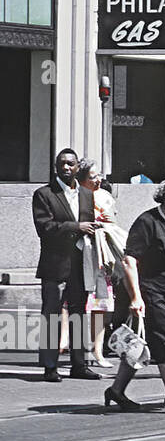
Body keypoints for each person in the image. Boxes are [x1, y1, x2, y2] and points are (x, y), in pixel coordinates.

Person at [104, 177, 165, 413]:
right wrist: (136, 298)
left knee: (143, 344)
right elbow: (129, 261)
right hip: (150, 291)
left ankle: (116, 390)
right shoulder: (147, 221)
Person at [32, 149, 102, 383]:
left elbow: (88, 224)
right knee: (51, 314)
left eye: (70, 164)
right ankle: (50, 366)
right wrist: (76, 227)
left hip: (80, 264)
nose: (66, 168)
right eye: (62, 164)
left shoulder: (86, 194)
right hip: (54, 263)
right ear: (55, 166)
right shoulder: (44, 194)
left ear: (77, 167)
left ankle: (79, 364)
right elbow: (45, 228)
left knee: (79, 313)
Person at [77, 159, 128, 366]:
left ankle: (97, 351)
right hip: (81, 254)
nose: (97, 180)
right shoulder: (74, 196)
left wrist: (106, 220)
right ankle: (79, 349)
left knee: (101, 304)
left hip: (102, 254)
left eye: (98, 176)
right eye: (92, 177)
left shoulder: (105, 196)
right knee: (77, 304)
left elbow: (113, 223)